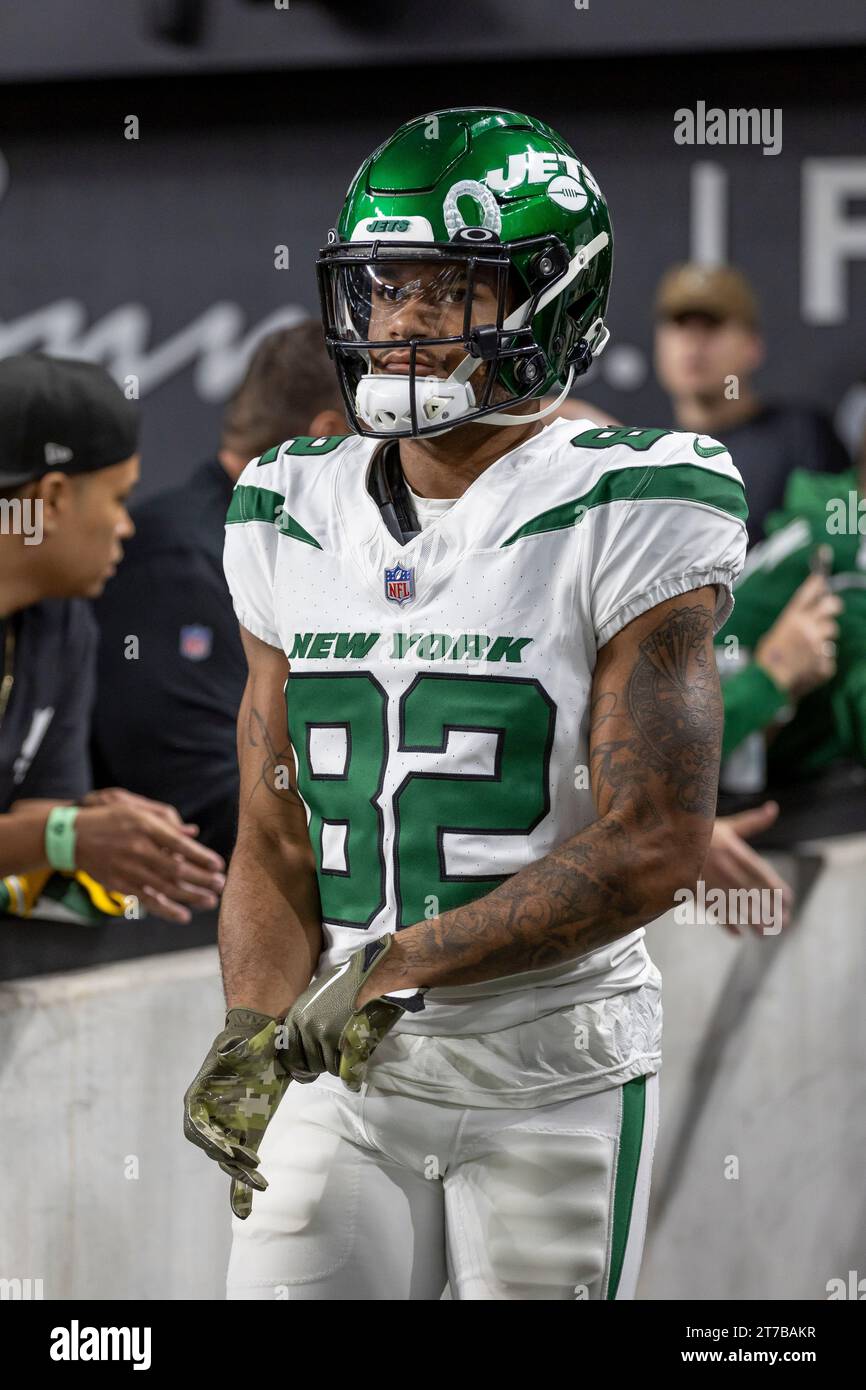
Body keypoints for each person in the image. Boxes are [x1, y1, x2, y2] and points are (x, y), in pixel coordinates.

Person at [185, 108, 748, 1301]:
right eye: (382, 289)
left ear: (554, 299)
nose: (399, 326)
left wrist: (390, 964)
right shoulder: (287, 506)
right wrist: (250, 1020)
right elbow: (274, 832)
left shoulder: (637, 498)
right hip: (343, 1069)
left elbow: (653, 842)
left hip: (552, 1072)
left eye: (448, 291)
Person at [91, 323, 347, 863]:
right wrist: (379, 833)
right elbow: (194, 799)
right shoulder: (178, 561)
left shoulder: (291, 550)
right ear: (328, 434)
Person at [0, 352, 225, 923]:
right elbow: (46, 831)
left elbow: (42, 808)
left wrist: (91, 822)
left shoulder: (61, 618)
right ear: (50, 499)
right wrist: (61, 835)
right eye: (118, 498)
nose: (128, 525)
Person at [653, 263, 849, 545]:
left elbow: (841, 543)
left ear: (752, 347)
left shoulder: (801, 436)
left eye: (712, 325)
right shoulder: (650, 455)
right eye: (680, 324)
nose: (693, 342)